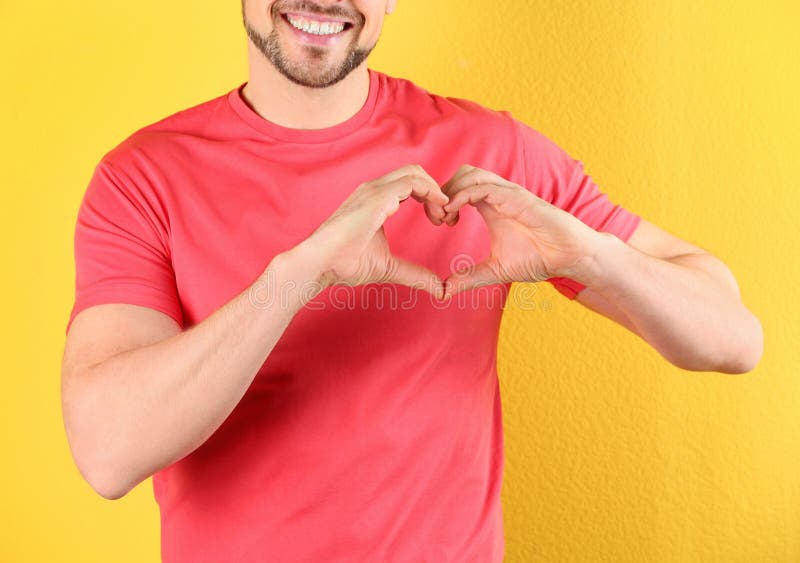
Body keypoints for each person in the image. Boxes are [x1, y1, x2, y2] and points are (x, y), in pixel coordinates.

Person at [60, 1, 764, 561]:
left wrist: (592, 257)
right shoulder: (142, 178)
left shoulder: (491, 152)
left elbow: (734, 339)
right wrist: (297, 275)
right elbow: (107, 451)